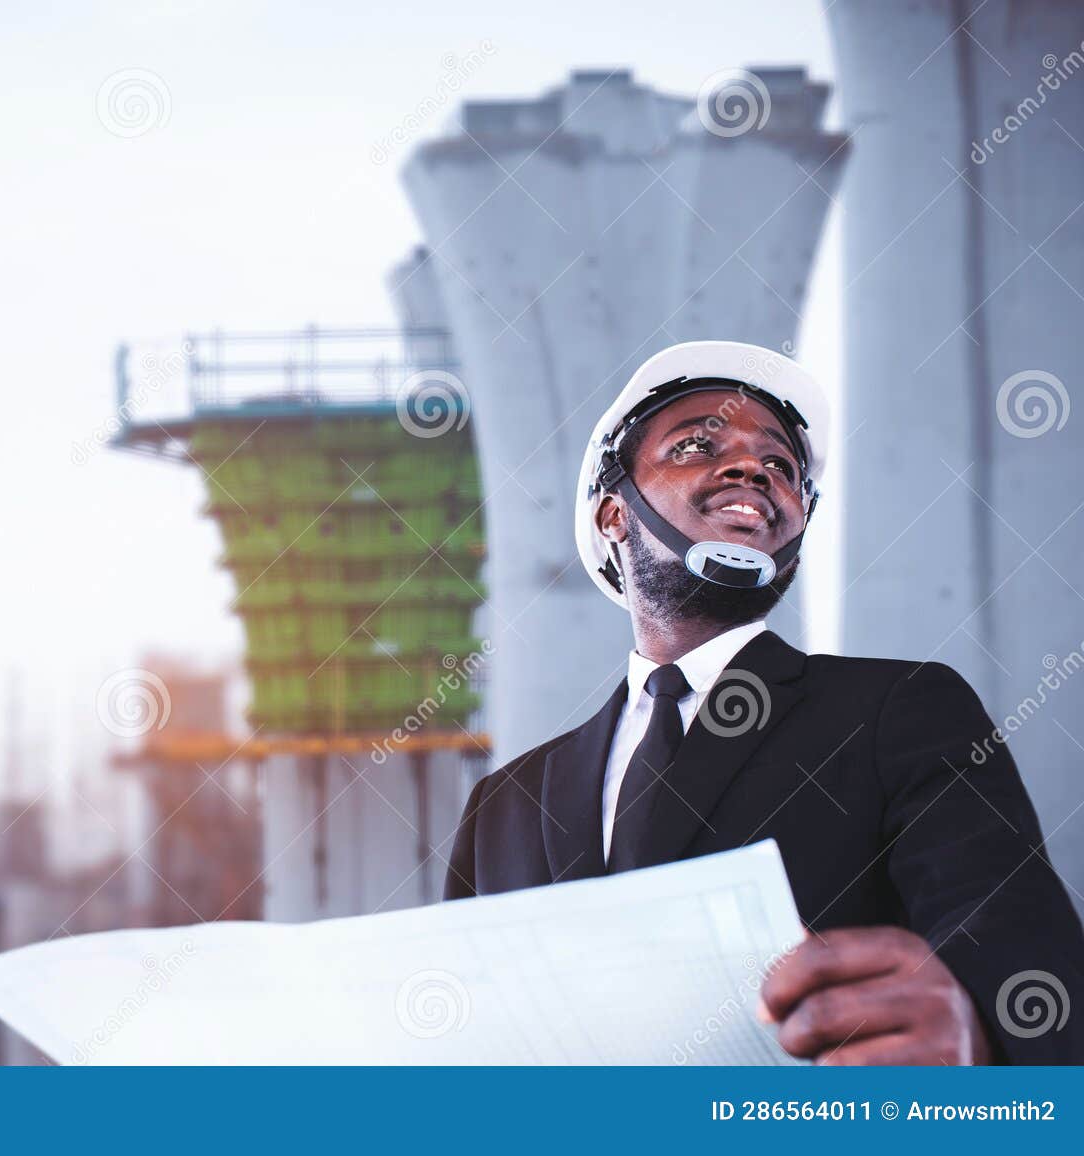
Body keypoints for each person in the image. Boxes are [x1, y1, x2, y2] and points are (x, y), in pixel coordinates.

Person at [444, 340, 1084, 1065]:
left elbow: (1031, 972)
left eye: (781, 465)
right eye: (696, 444)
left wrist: (979, 1047)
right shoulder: (502, 806)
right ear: (613, 515)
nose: (752, 467)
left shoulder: (900, 711)